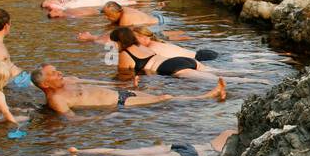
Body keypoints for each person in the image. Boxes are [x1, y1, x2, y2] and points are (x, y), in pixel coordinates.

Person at [30, 62, 224, 114]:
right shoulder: (57, 100)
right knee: (164, 97)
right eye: (54, 74)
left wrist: (123, 85)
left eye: (57, 70)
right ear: (45, 84)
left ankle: (206, 96)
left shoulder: (69, 80)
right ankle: (207, 96)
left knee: (158, 95)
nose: (60, 73)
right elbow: (72, 120)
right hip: (120, 103)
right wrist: (105, 116)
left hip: (121, 93)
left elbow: (97, 83)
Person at [108, 26, 223, 82]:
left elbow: (123, 75)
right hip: (182, 60)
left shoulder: (124, 53)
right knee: (222, 73)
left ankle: (242, 82)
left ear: (118, 41)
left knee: (216, 80)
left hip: (171, 67)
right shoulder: (141, 46)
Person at [67, 130, 236, 156]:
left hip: (189, 146)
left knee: (125, 153)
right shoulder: (242, 141)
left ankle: (80, 151)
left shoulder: (231, 130)